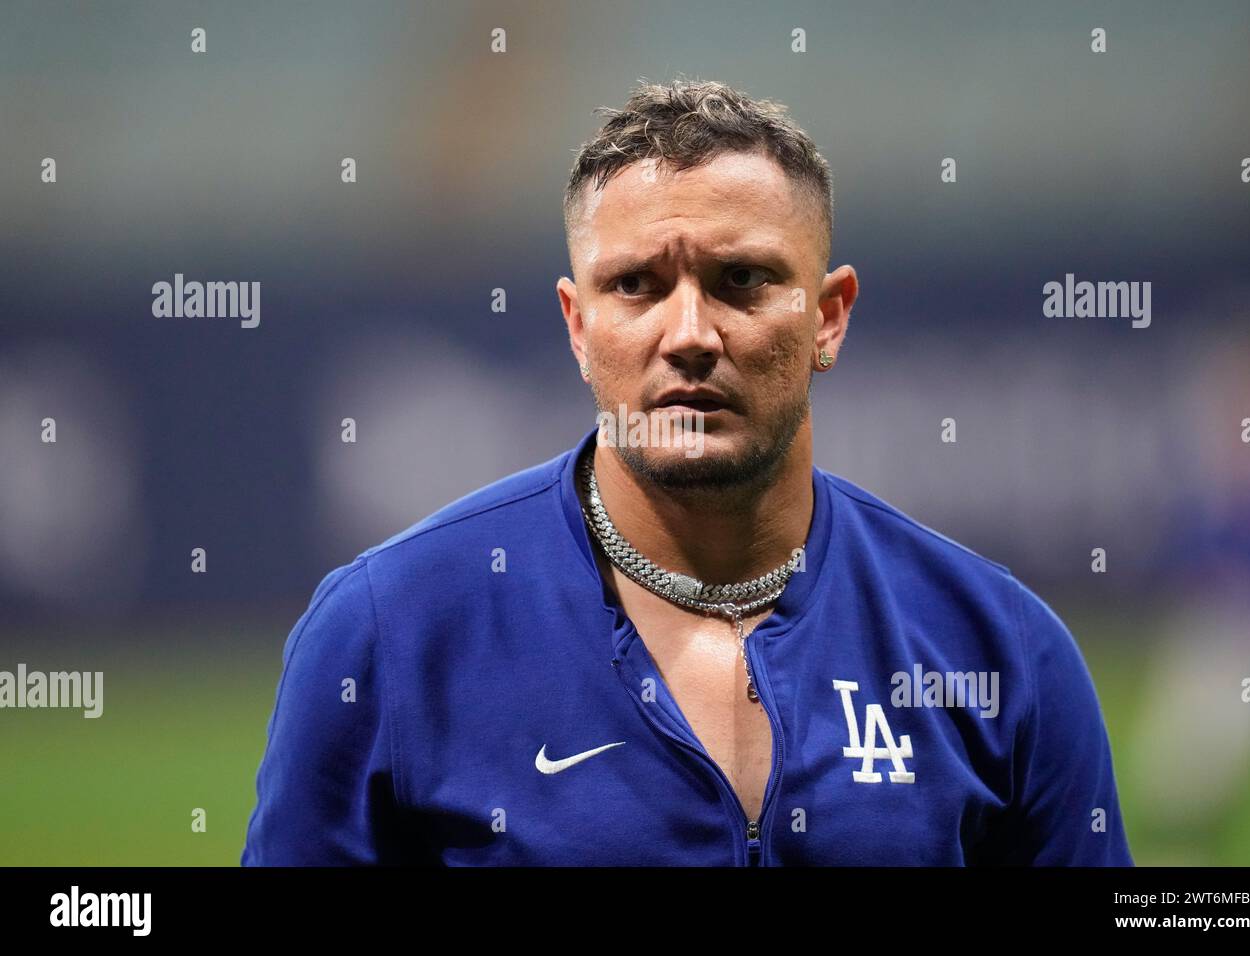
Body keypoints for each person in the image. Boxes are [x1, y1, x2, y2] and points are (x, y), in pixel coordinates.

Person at [241, 78, 1133, 866]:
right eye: (635, 285)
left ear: (828, 317)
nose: (690, 334)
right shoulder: (388, 632)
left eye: (742, 279)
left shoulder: (998, 649)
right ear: (578, 327)